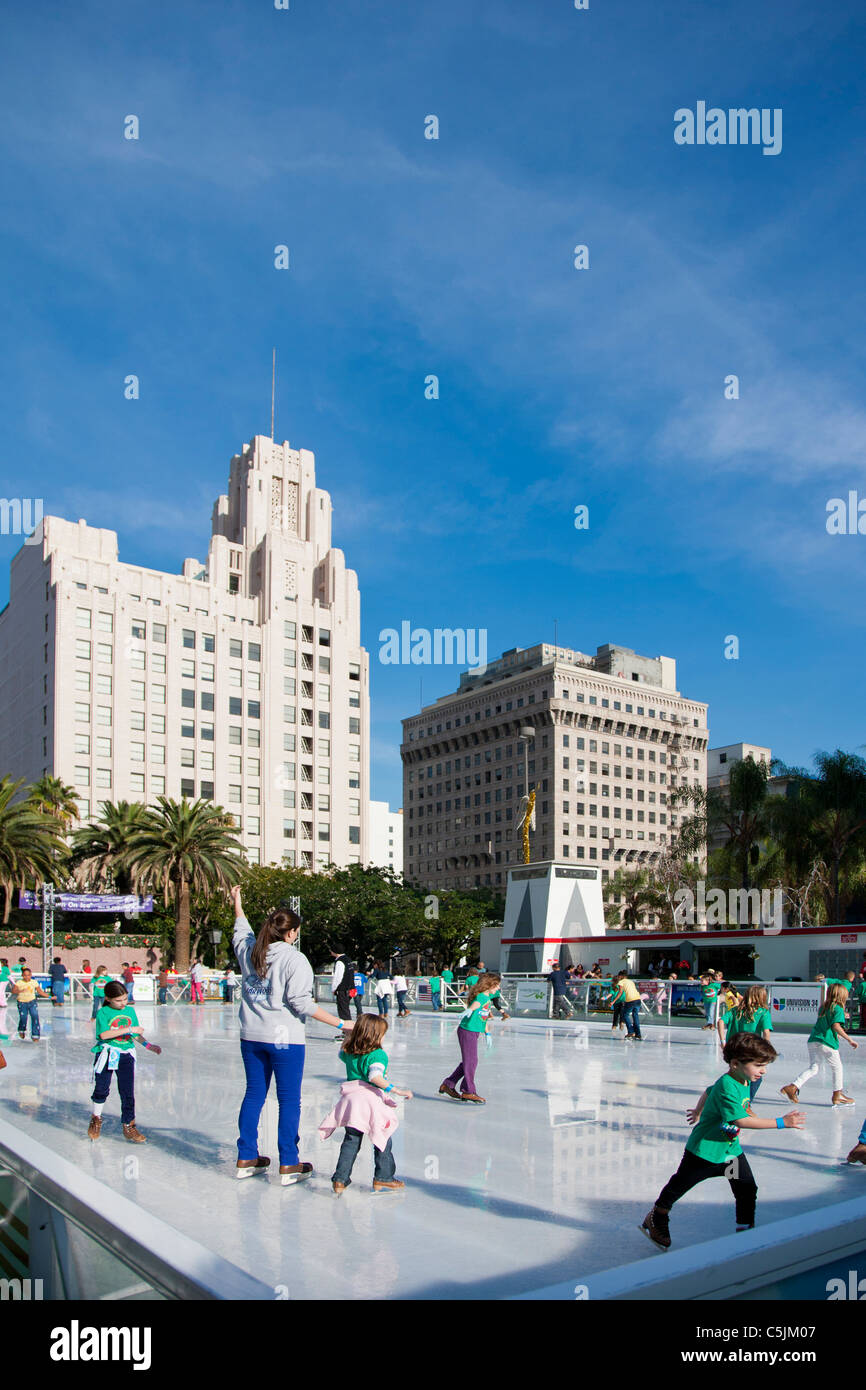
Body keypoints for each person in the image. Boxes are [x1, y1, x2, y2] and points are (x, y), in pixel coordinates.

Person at [231, 884, 352, 1184]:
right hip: (285, 1040)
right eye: (296, 931)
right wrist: (340, 1024)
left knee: (254, 1094)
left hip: (251, 1036)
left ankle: (246, 1156)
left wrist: (237, 903)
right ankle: (289, 1162)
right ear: (290, 933)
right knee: (288, 1100)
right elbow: (301, 1003)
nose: (296, 936)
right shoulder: (295, 960)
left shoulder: (250, 950)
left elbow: (240, 930)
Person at [641, 1034, 805, 1249]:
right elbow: (740, 1120)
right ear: (735, 1063)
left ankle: (745, 1232)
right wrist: (782, 1122)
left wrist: (699, 1111)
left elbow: (710, 1092)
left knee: (746, 1189)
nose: (763, 1071)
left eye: (764, 1065)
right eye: (758, 1065)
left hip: (729, 1153)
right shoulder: (728, 1084)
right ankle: (657, 1216)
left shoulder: (743, 1079)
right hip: (705, 1152)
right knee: (680, 1185)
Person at [318, 1014, 412, 1194]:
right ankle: (383, 1177)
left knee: (351, 1140)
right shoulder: (378, 1054)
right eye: (382, 1034)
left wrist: (347, 1036)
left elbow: (341, 1053)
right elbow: (374, 1077)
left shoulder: (350, 1051)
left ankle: (340, 1179)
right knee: (382, 1137)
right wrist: (397, 1090)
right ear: (375, 1036)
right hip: (369, 1102)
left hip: (351, 1101)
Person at [88, 981, 162, 1141]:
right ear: (108, 998)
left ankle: (129, 1125)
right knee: (101, 1088)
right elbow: (104, 1035)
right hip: (107, 1053)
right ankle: (96, 1118)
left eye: (125, 999)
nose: (123, 1003)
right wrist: (129, 1029)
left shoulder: (129, 1011)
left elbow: (135, 1034)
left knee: (127, 1092)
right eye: (119, 1000)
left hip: (126, 1054)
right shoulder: (103, 1012)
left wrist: (149, 1046)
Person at [780, 983, 858, 1107]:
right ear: (841, 996)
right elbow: (835, 1026)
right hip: (827, 1042)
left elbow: (827, 1024)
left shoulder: (824, 1007)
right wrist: (849, 1039)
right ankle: (838, 1095)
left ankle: (793, 1087)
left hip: (813, 1040)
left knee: (814, 1068)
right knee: (837, 1067)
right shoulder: (837, 1008)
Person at [439, 972, 501, 1104]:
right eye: (496, 985)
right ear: (489, 985)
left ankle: (448, 1084)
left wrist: (487, 1033)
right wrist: (469, 1010)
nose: (498, 988)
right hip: (467, 1031)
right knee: (471, 1061)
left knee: (469, 1061)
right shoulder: (482, 996)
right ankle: (468, 1091)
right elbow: (477, 1004)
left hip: (473, 1032)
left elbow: (483, 1018)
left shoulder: (487, 997)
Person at [717, 985, 773, 1104]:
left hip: (733, 1048)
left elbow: (720, 1021)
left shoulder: (735, 1010)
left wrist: (723, 1041)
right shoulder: (763, 1012)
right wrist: (765, 1051)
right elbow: (766, 1032)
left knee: (736, 1075)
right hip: (750, 1050)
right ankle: (745, 1103)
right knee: (755, 1077)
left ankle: (732, 1100)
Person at [12, 968, 50, 1041]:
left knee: (35, 1016)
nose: (27, 977)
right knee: (23, 1017)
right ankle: (21, 1030)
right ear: (22, 975)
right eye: (25, 975)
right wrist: (20, 990)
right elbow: (13, 991)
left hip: (32, 1002)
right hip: (22, 1002)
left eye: (28, 975)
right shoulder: (19, 982)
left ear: (31, 975)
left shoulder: (34, 982)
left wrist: (50, 997)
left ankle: (35, 1035)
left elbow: (40, 992)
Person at [613, 973, 643, 1041]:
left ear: (621, 976)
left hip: (631, 1000)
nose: (618, 977)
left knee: (625, 1015)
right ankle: (638, 1034)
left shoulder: (621, 982)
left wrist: (613, 1001)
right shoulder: (631, 981)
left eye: (618, 976)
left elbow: (620, 992)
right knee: (635, 1016)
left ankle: (631, 1032)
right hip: (638, 999)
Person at [330, 948, 354, 1022]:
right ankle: (348, 1029)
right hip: (349, 988)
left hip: (342, 989)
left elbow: (338, 977)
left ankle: (347, 1029)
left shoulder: (340, 961)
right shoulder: (348, 959)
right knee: (346, 1009)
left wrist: (334, 988)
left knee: (343, 1010)